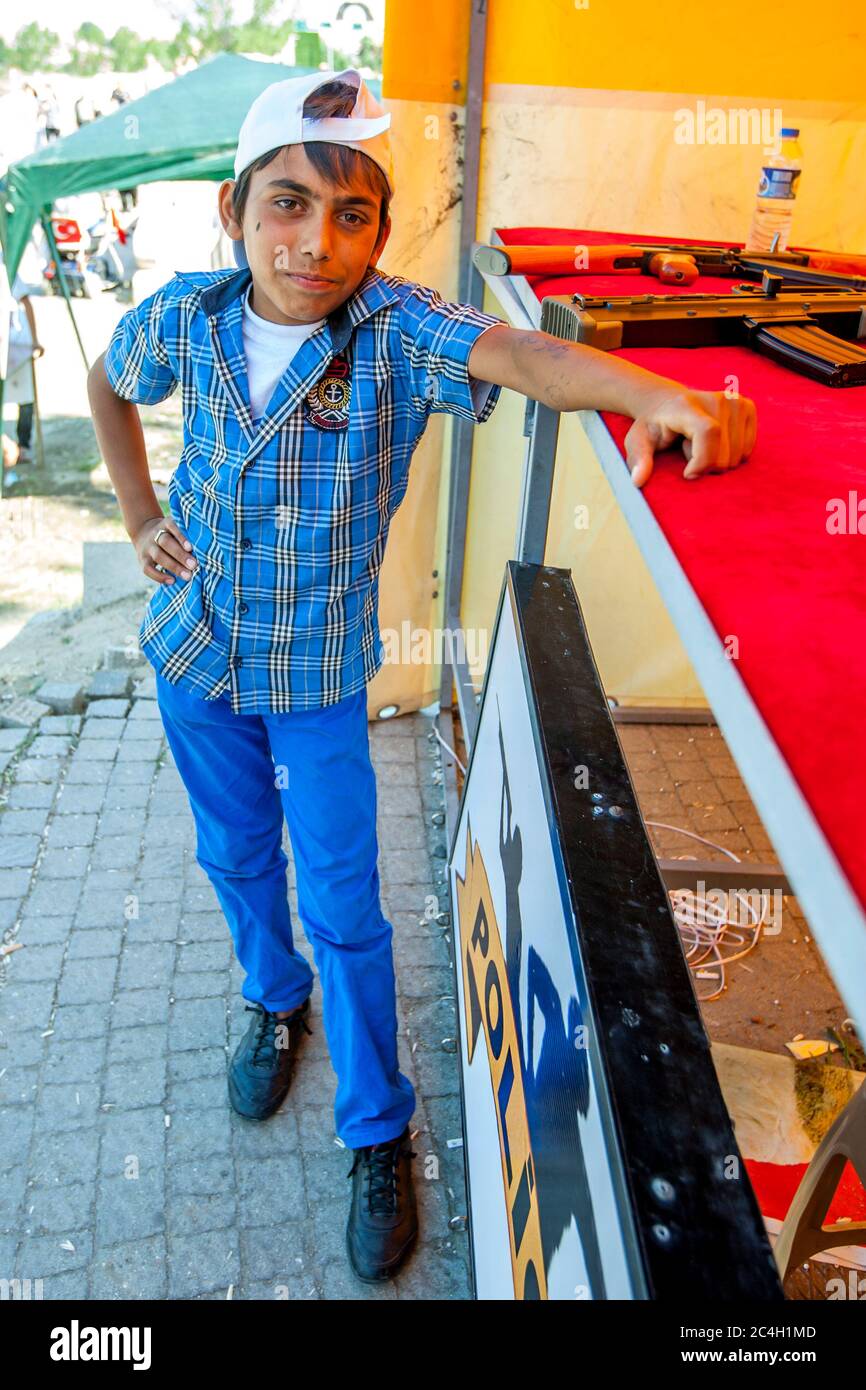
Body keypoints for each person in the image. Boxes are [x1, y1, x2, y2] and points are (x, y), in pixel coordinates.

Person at [86, 69, 757, 1286]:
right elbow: (109, 384)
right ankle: (265, 992)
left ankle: (377, 1128)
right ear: (233, 211)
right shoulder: (182, 316)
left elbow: (522, 357)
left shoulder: (394, 333)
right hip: (193, 654)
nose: (316, 242)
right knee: (235, 857)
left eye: (351, 217)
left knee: (348, 905)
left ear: (383, 233)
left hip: (319, 683)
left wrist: (648, 389)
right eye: (287, 205)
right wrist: (136, 513)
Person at [1, 237, 46, 478]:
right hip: (9, 344)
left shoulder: (7, 272)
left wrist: (34, 339)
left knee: (25, 398)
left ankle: (24, 445)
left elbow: (26, 302)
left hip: (15, 344)